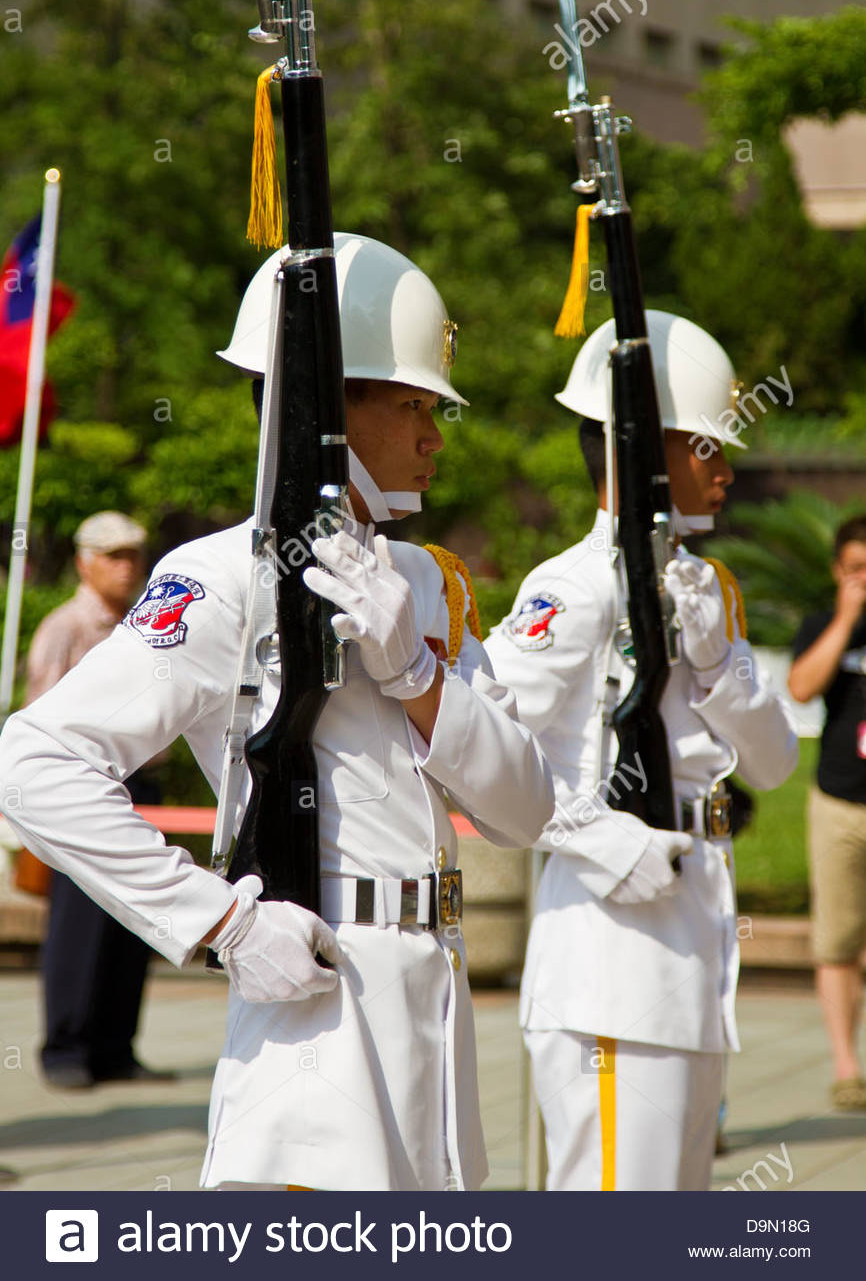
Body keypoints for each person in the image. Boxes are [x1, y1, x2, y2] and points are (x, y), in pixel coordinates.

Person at [0, 233, 554, 1190]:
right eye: (413, 405)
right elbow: (33, 762)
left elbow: (527, 807)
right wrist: (222, 925)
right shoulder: (224, 579)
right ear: (322, 411)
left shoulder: (429, 585)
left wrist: (417, 674)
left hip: (436, 1007)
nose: (435, 435)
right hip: (315, 1005)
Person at [485, 311, 798, 1191]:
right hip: (610, 962)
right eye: (707, 448)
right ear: (645, 450)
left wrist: (718, 665)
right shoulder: (573, 588)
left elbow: (771, 764)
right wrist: (597, 834)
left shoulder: (710, 592)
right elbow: (479, 750)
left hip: (694, 957)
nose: (728, 470)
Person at [25, 511, 174, 1090]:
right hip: (87, 782)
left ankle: (116, 1049)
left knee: (136, 919)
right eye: (114, 555)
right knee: (79, 919)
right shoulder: (64, 627)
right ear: (84, 562)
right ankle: (65, 1048)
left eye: (134, 554)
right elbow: (41, 719)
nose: (127, 566)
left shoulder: (144, 622)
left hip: (143, 782)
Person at [788, 516, 866, 1111]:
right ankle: (846, 1066)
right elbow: (800, 688)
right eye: (855, 569)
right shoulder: (821, 627)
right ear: (837, 572)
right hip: (838, 803)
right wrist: (845, 620)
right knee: (837, 940)